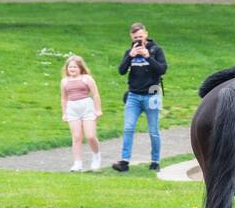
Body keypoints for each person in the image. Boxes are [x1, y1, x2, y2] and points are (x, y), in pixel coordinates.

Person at [113, 22, 166, 172]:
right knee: (128, 128)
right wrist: (130, 56)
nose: (138, 40)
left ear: (146, 35)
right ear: (131, 37)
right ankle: (124, 161)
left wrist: (148, 57)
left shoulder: (156, 50)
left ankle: (155, 161)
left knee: (153, 130)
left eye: (141, 37)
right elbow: (121, 70)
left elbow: (162, 70)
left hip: (152, 95)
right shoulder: (129, 52)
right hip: (133, 96)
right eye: (135, 37)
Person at [61, 55, 103, 172]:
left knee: (90, 136)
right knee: (76, 136)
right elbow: (64, 98)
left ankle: (96, 156)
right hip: (72, 108)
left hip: (86, 107)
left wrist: (98, 109)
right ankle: (77, 163)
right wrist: (64, 113)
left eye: (75, 67)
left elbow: (95, 94)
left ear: (80, 68)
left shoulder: (86, 79)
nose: (72, 69)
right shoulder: (64, 81)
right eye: (70, 67)